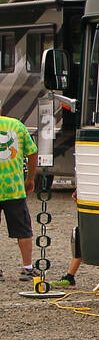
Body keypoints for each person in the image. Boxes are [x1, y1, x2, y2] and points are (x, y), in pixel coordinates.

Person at [0, 112, 37, 282]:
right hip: (13, 187)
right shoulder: (17, 125)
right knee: (23, 229)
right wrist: (30, 179)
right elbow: (32, 152)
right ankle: (27, 268)